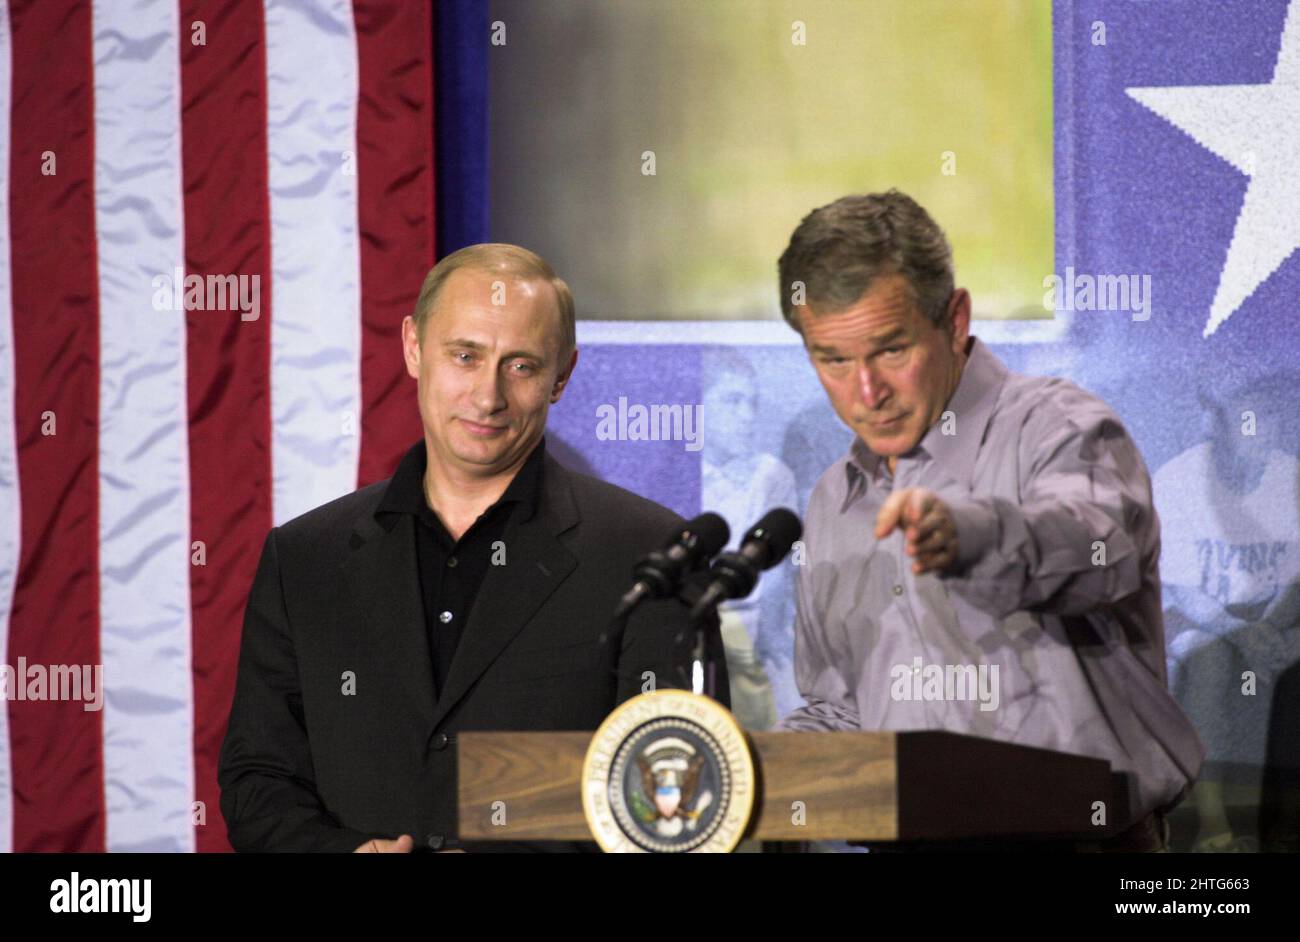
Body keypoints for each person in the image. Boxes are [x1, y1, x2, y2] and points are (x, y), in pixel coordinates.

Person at [218, 243, 727, 852]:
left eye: (521, 366)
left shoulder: (652, 557)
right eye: (465, 356)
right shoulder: (304, 557)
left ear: (562, 375)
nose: (487, 397)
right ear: (413, 347)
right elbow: (259, 778)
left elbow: (680, 801)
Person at [773, 190, 1203, 852]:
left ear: (954, 320)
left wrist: (972, 535)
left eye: (891, 350)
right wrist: (764, 773)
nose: (866, 393)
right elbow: (848, 705)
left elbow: (1097, 550)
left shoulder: (1056, 427)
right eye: (832, 359)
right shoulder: (835, 497)